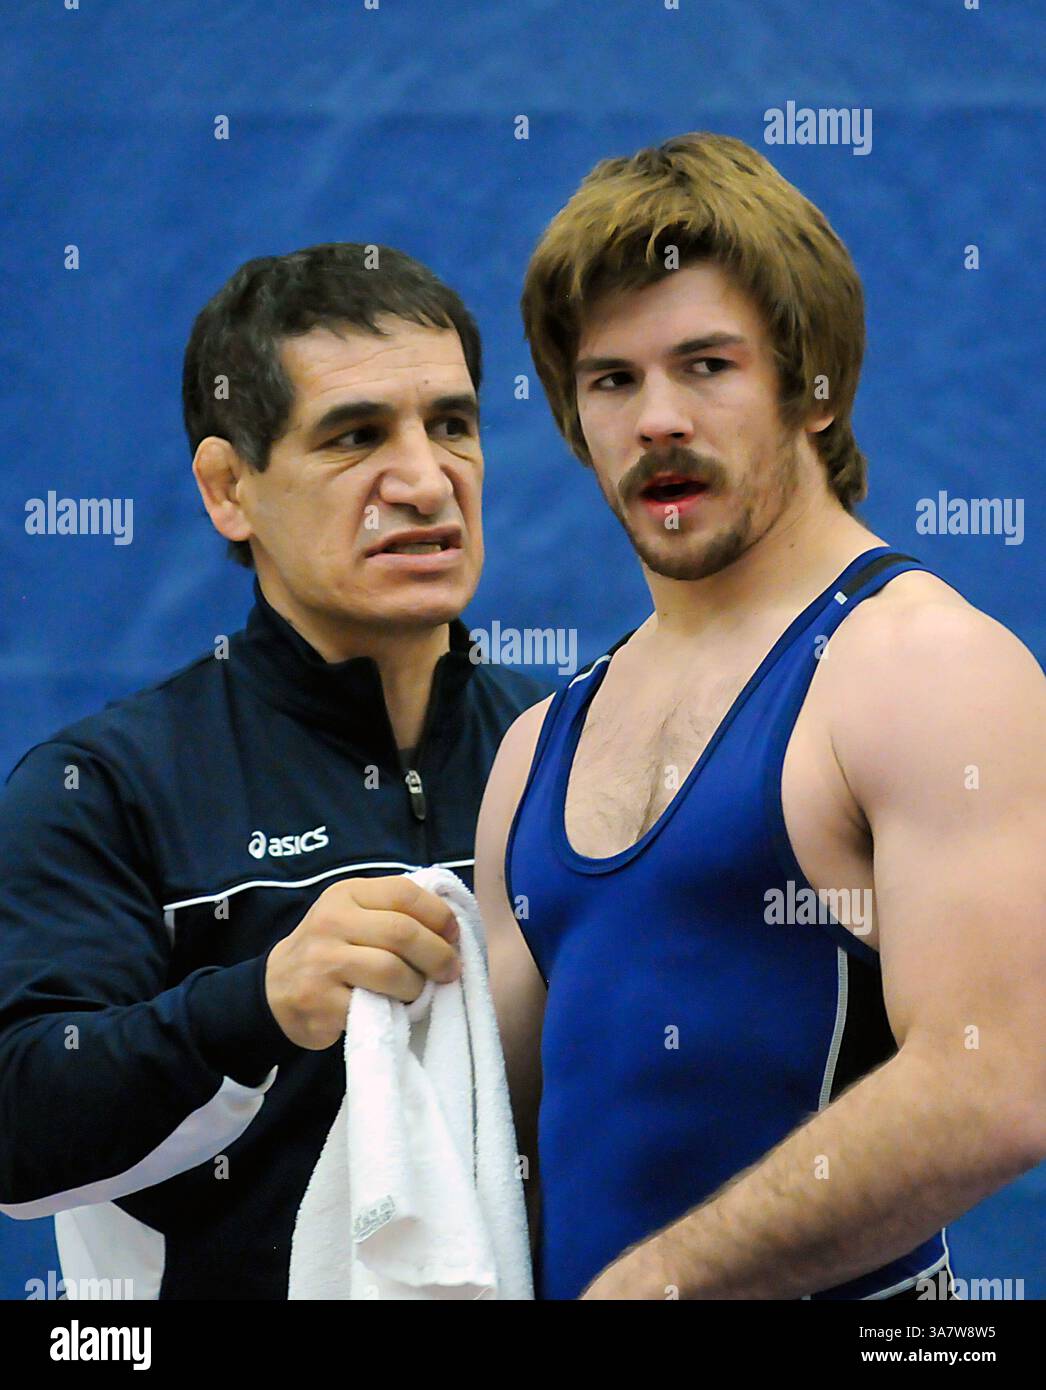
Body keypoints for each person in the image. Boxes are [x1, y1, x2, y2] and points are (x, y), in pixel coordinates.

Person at [475, 133, 1046, 1300]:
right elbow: (488, 1150)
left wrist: (659, 1285)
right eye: (611, 380)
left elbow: (998, 1085)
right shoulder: (536, 749)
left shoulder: (924, 668)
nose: (656, 421)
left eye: (706, 365)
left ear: (811, 384)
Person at [0, 243, 545, 1299]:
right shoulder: (103, 790)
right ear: (227, 488)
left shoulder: (574, 752)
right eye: (354, 436)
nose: (426, 480)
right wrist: (256, 1004)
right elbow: (17, 1123)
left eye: (452, 425)